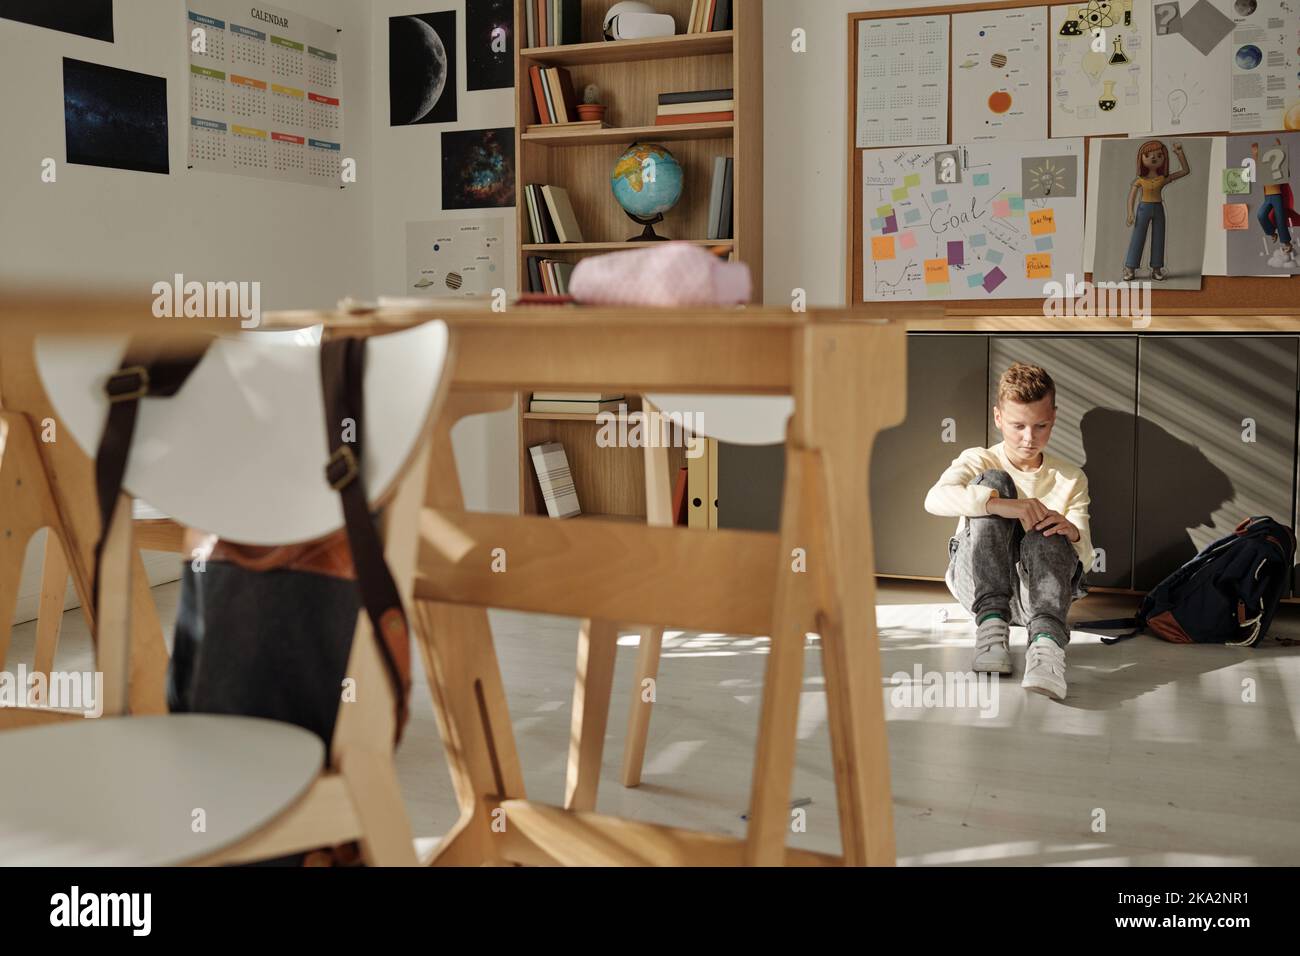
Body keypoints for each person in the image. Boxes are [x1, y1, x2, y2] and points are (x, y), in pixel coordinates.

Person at [924, 362, 1092, 701]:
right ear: (998, 418)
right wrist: (1004, 504)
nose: (1029, 438)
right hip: (978, 586)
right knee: (993, 484)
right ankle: (991, 626)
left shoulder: (1071, 477)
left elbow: (1085, 556)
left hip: (1040, 595)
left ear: (1054, 417)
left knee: (1051, 529)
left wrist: (1071, 533)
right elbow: (934, 499)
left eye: (1040, 426)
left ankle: (1046, 648)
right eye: (1018, 426)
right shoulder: (980, 459)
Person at [1123, 139, 1189, 282]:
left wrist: (1179, 153)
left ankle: (1157, 269)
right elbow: (1131, 197)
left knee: (1159, 237)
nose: (1153, 158)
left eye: (1158, 155)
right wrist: (1130, 212)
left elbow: (1185, 171)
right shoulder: (1140, 180)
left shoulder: (1162, 178)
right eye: (1148, 155)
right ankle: (1130, 268)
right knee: (1137, 238)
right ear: (1141, 158)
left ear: (1164, 159)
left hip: (1158, 208)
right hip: (1143, 209)